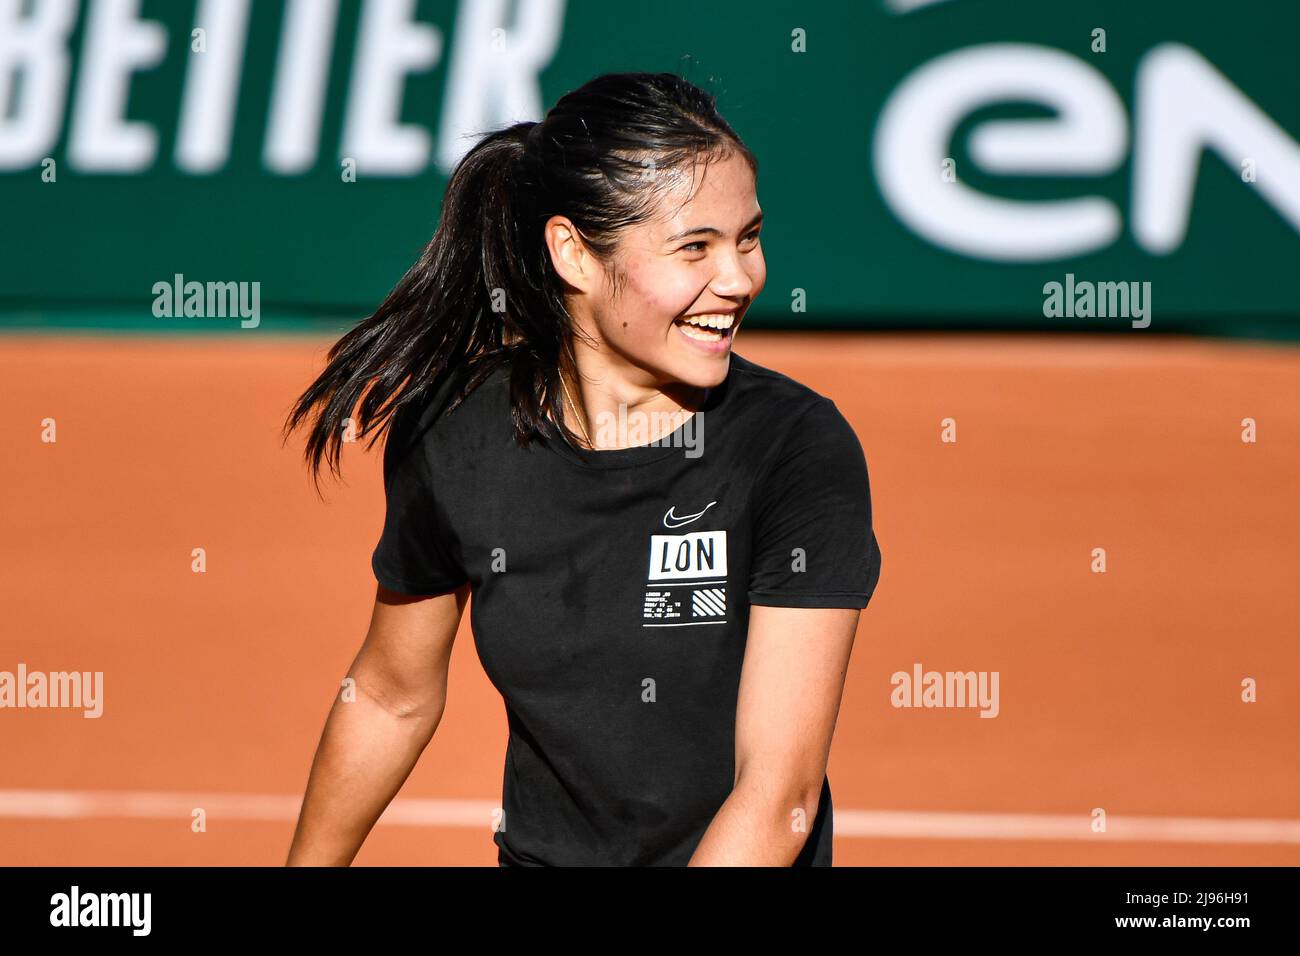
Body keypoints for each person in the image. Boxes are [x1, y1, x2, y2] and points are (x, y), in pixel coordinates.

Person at [282, 71, 882, 867]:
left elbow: (778, 800)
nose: (739, 279)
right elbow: (392, 697)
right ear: (573, 252)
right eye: (695, 246)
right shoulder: (458, 432)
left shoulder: (794, 449)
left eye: (748, 237)